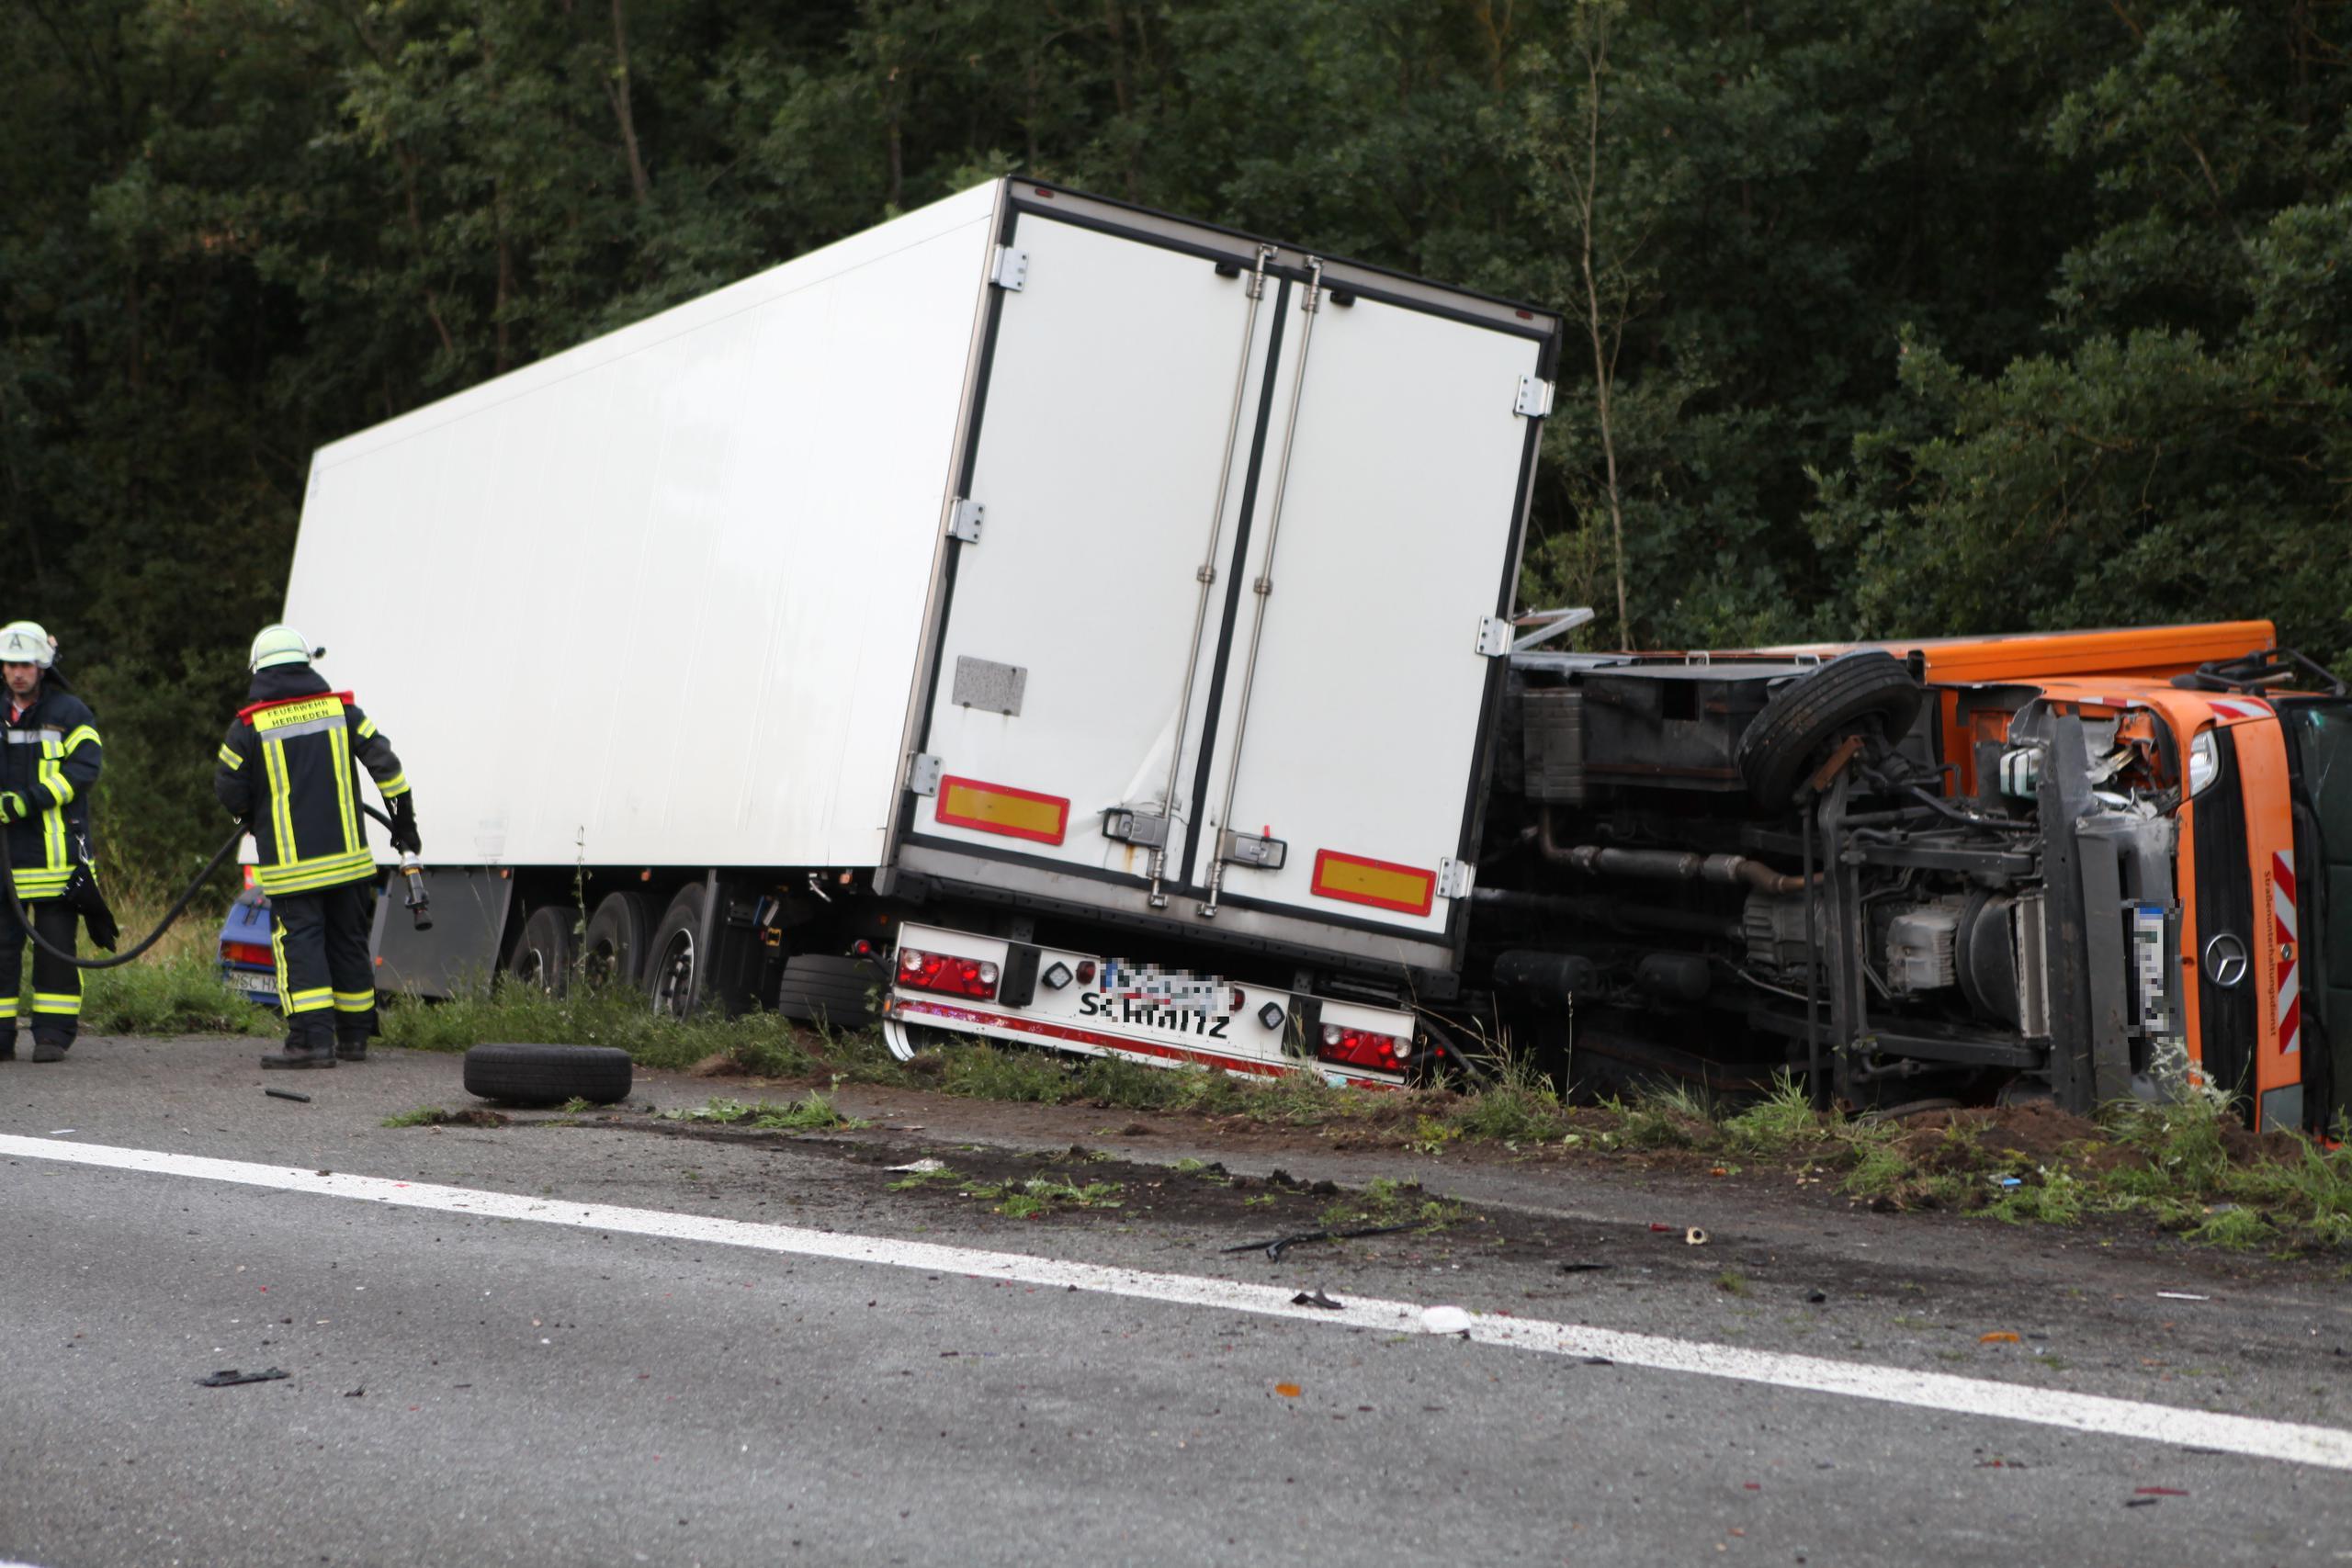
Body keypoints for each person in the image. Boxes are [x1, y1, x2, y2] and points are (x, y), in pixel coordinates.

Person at [215, 626, 418, 1068]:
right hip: (348, 862)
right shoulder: (343, 711)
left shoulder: (248, 727)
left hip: (293, 867)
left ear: (259, 672)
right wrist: (404, 825)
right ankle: (354, 1038)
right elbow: (387, 767)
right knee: (347, 939)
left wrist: (250, 817)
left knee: (300, 944)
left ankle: (310, 1042)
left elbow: (228, 785)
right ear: (307, 664)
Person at [0, 622, 102, 1063]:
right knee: (2, 952)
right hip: (5, 862)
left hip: (56, 859)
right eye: (9, 664)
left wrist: (25, 802)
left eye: (25, 664)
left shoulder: (71, 712)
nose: (17, 673)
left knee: (55, 951)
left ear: (42, 666)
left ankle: (53, 1036)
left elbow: (84, 770)